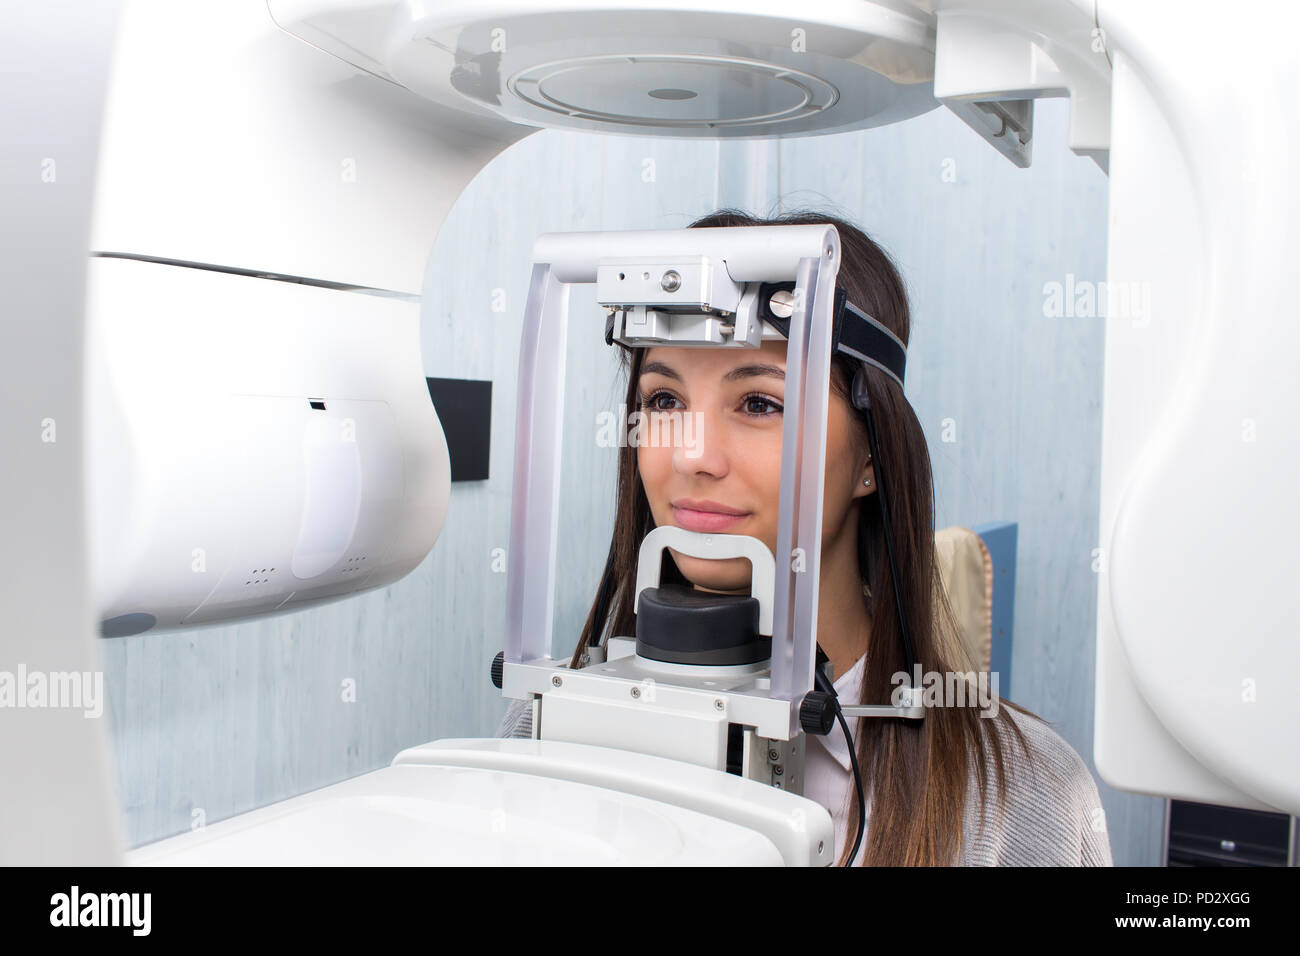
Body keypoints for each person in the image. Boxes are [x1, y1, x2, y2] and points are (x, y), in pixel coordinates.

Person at [498, 207, 1113, 866]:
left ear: (872, 459)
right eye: (664, 401)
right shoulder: (547, 725)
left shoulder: (1023, 798)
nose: (692, 457)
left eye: (760, 404)